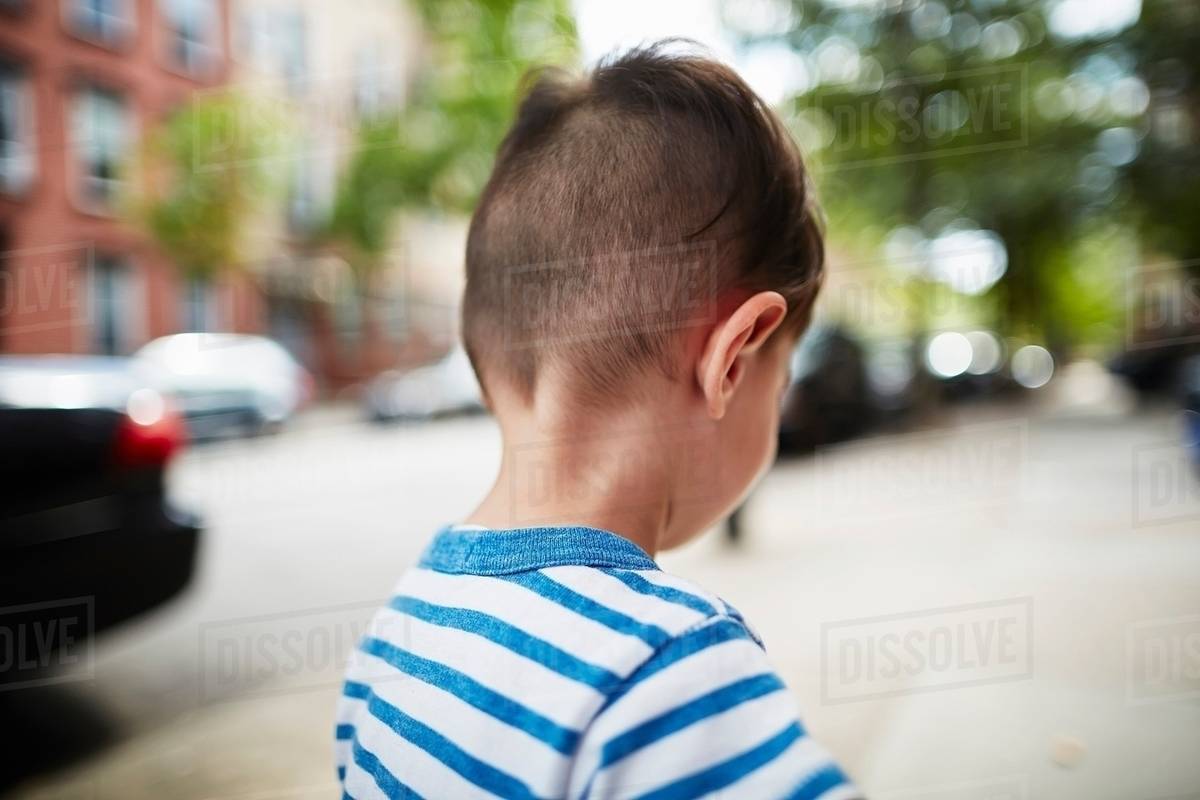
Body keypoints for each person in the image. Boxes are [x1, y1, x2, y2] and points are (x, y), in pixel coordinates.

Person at [336, 41, 858, 799]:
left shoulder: (396, 636)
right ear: (735, 357)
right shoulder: (668, 674)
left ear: (485, 347)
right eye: (778, 386)